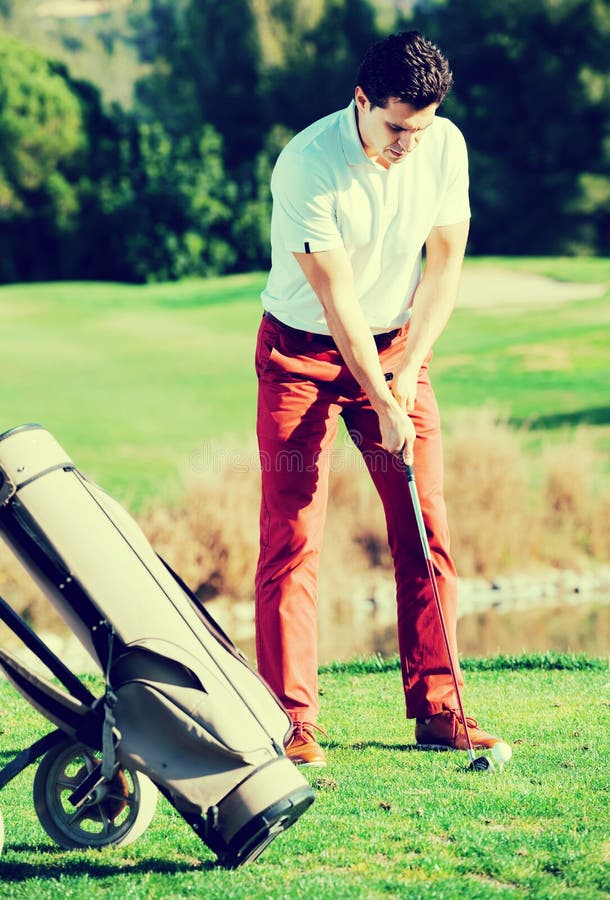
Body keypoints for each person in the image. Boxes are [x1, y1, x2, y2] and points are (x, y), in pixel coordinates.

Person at [254, 30, 505, 767]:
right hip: (300, 356)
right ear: (361, 102)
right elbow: (336, 304)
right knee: (293, 535)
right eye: (396, 128)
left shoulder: (444, 146)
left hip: (398, 347)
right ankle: (292, 722)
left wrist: (407, 373)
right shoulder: (308, 164)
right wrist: (383, 398)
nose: (408, 144)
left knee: (426, 527)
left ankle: (440, 711)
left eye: (420, 130)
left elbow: (446, 268)